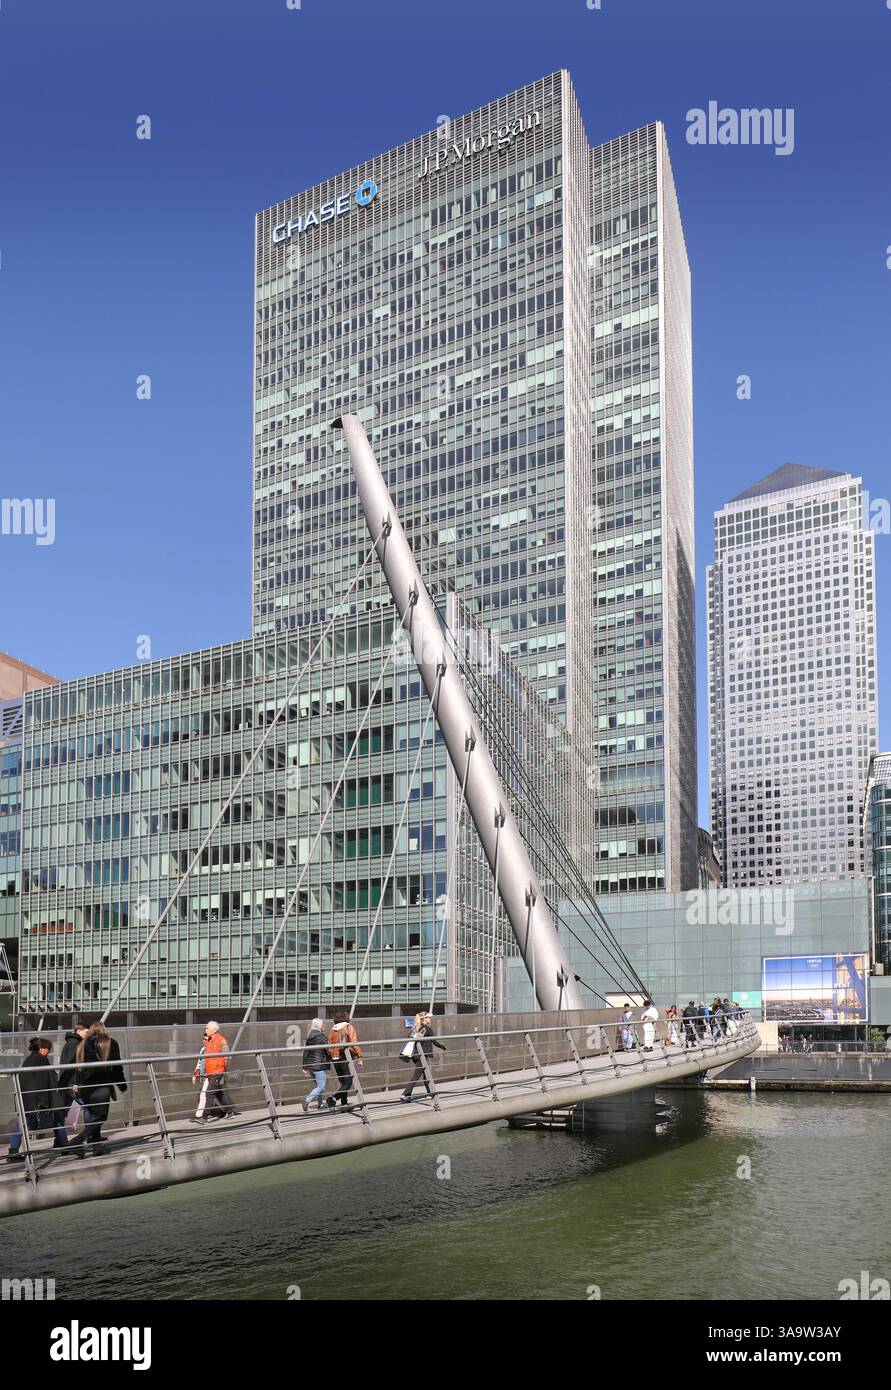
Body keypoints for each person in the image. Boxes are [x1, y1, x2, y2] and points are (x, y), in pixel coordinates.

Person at [6, 1037, 70, 1162]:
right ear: (42, 1049)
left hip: (26, 1097)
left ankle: (13, 1151)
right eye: (48, 1049)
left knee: (21, 1123)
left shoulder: (29, 1059)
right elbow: (48, 1079)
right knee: (58, 1118)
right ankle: (64, 1145)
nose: (49, 1052)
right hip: (41, 1097)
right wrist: (46, 1101)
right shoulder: (41, 1060)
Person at [69, 1022, 127, 1156]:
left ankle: (96, 1148)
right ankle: (76, 1142)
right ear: (104, 1030)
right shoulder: (109, 1043)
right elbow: (116, 1067)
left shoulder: (82, 1044)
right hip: (101, 1085)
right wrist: (122, 1084)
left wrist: (76, 1083)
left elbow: (75, 1065)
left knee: (95, 1116)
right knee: (101, 1116)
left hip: (85, 1086)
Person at [400, 1012, 447, 1101]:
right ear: (424, 1019)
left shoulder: (418, 1028)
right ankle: (405, 1094)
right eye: (428, 1017)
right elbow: (434, 1042)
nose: (430, 1019)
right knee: (416, 1075)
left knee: (426, 1075)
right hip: (421, 1055)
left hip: (415, 1055)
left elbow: (414, 1038)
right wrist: (442, 1047)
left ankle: (429, 1093)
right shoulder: (427, 1029)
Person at [57, 1022, 90, 1137]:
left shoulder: (72, 1042)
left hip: (67, 1082)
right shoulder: (75, 1043)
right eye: (86, 1032)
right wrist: (76, 1082)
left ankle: (60, 1141)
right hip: (72, 1083)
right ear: (79, 1031)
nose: (88, 1034)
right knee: (88, 1108)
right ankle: (90, 1135)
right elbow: (72, 1063)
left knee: (62, 1112)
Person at [200, 1021, 237, 1121]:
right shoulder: (208, 1040)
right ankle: (229, 1112)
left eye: (207, 1028)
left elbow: (227, 1057)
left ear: (214, 1030)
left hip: (218, 1071)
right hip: (210, 1071)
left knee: (209, 1093)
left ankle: (204, 1117)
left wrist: (223, 1071)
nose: (205, 1030)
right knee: (218, 1093)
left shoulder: (221, 1040)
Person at [326, 1011, 363, 1109]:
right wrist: (359, 1056)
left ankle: (344, 1103)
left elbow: (329, 1045)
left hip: (335, 1058)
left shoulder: (332, 1029)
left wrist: (332, 1055)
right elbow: (354, 1042)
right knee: (348, 1082)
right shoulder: (348, 1027)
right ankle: (333, 1098)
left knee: (343, 1081)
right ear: (346, 1017)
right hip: (345, 1056)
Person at [301, 1018, 330, 1112]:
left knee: (318, 1085)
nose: (323, 1027)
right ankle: (306, 1101)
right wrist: (334, 1058)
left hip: (311, 1066)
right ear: (320, 1026)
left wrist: (304, 1066)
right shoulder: (322, 1037)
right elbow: (328, 1051)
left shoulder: (310, 1037)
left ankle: (320, 1104)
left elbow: (306, 1052)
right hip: (319, 1065)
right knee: (321, 1086)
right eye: (322, 1025)